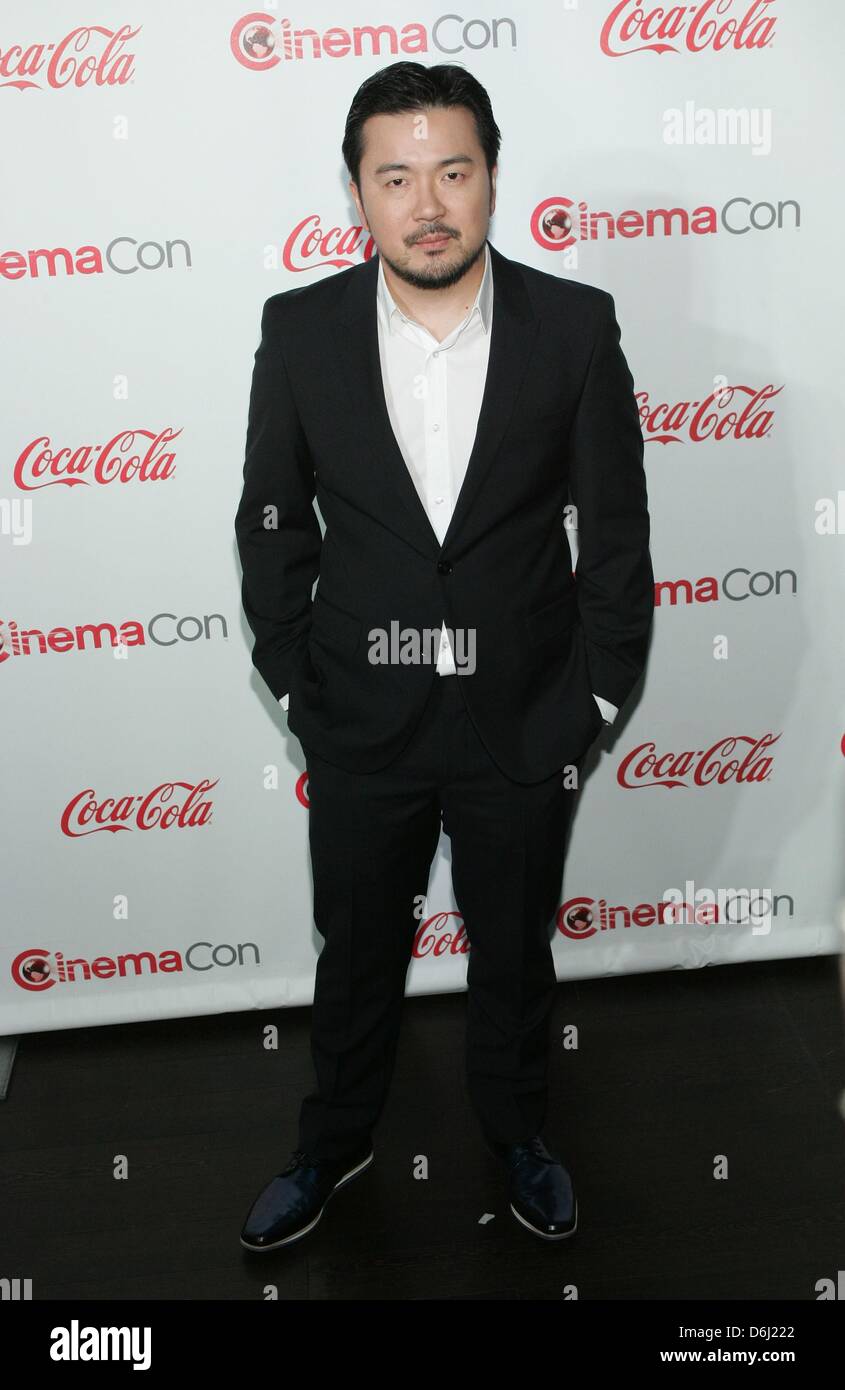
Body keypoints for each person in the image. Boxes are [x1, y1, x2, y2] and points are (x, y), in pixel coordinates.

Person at [235, 60, 654, 1251]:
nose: (428, 203)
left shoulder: (572, 326)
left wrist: (596, 695)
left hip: (525, 714)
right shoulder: (299, 329)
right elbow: (271, 522)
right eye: (397, 175)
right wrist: (296, 682)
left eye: (453, 171)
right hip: (359, 717)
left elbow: (612, 532)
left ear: (488, 179)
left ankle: (518, 1132)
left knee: (513, 947)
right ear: (357, 192)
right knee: (355, 949)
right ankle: (333, 1140)